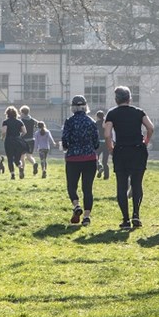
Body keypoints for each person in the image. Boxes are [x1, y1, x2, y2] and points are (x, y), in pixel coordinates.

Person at [104, 86, 154, 230]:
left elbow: (107, 134)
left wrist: (110, 148)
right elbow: (150, 127)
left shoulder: (112, 113)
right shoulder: (139, 112)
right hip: (138, 150)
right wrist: (146, 141)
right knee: (137, 184)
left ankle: (125, 219)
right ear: (129, 98)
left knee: (121, 185)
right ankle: (136, 214)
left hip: (121, 150)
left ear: (116, 99)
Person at [62, 95, 99, 226]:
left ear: (72, 107)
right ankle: (87, 217)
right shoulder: (91, 121)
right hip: (89, 158)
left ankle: (76, 205)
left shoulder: (69, 121)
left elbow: (65, 140)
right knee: (87, 189)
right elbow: (96, 143)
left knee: (72, 186)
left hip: (73, 158)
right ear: (85, 106)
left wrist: (67, 147)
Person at [1, 106, 26, 179]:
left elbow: (4, 131)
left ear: (7, 114)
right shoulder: (19, 121)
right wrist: (20, 136)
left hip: (9, 140)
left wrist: (2, 137)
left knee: (10, 158)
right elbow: (24, 131)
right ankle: (20, 166)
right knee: (17, 158)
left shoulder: (5, 122)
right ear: (16, 113)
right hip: (18, 140)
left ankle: (12, 174)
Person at [19, 106, 39, 175]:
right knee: (29, 156)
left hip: (23, 140)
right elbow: (38, 124)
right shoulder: (32, 120)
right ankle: (34, 163)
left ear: (22, 112)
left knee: (22, 157)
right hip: (31, 140)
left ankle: (22, 171)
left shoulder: (21, 121)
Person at [94, 110, 109, 180]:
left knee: (95, 157)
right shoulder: (106, 123)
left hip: (99, 143)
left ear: (97, 117)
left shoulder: (96, 123)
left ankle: (99, 167)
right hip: (106, 143)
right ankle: (106, 176)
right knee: (105, 161)